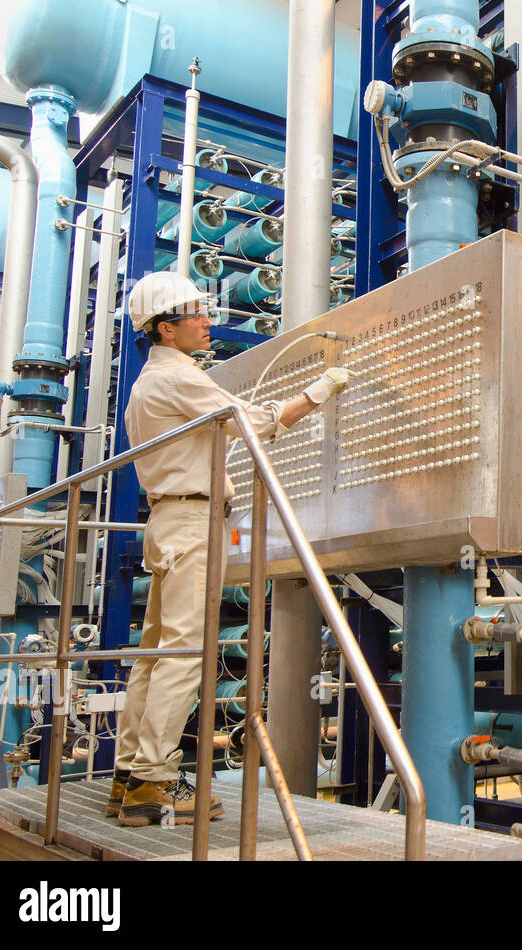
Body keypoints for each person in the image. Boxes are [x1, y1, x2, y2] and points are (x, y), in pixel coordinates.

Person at [109, 271, 350, 827]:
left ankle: (130, 776)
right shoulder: (178, 378)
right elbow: (255, 423)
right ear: (166, 329)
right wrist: (317, 392)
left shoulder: (149, 384)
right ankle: (155, 781)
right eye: (195, 314)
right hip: (193, 522)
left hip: (170, 523)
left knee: (154, 652)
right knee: (184, 653)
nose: (207, 321)